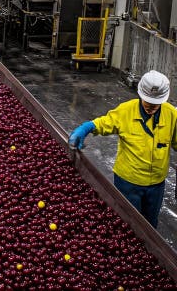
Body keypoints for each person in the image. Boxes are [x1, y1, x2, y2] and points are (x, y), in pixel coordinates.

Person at [69, 71, 177, 228]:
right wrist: (87, 127)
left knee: (150, 225)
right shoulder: (126, 111)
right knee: (126, 225)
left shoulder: (171, 115)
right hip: (128, 182)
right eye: (148, 102)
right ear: (140, 95)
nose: (151, 107)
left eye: (156, 103)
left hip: (156, 184)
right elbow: (105, 123)